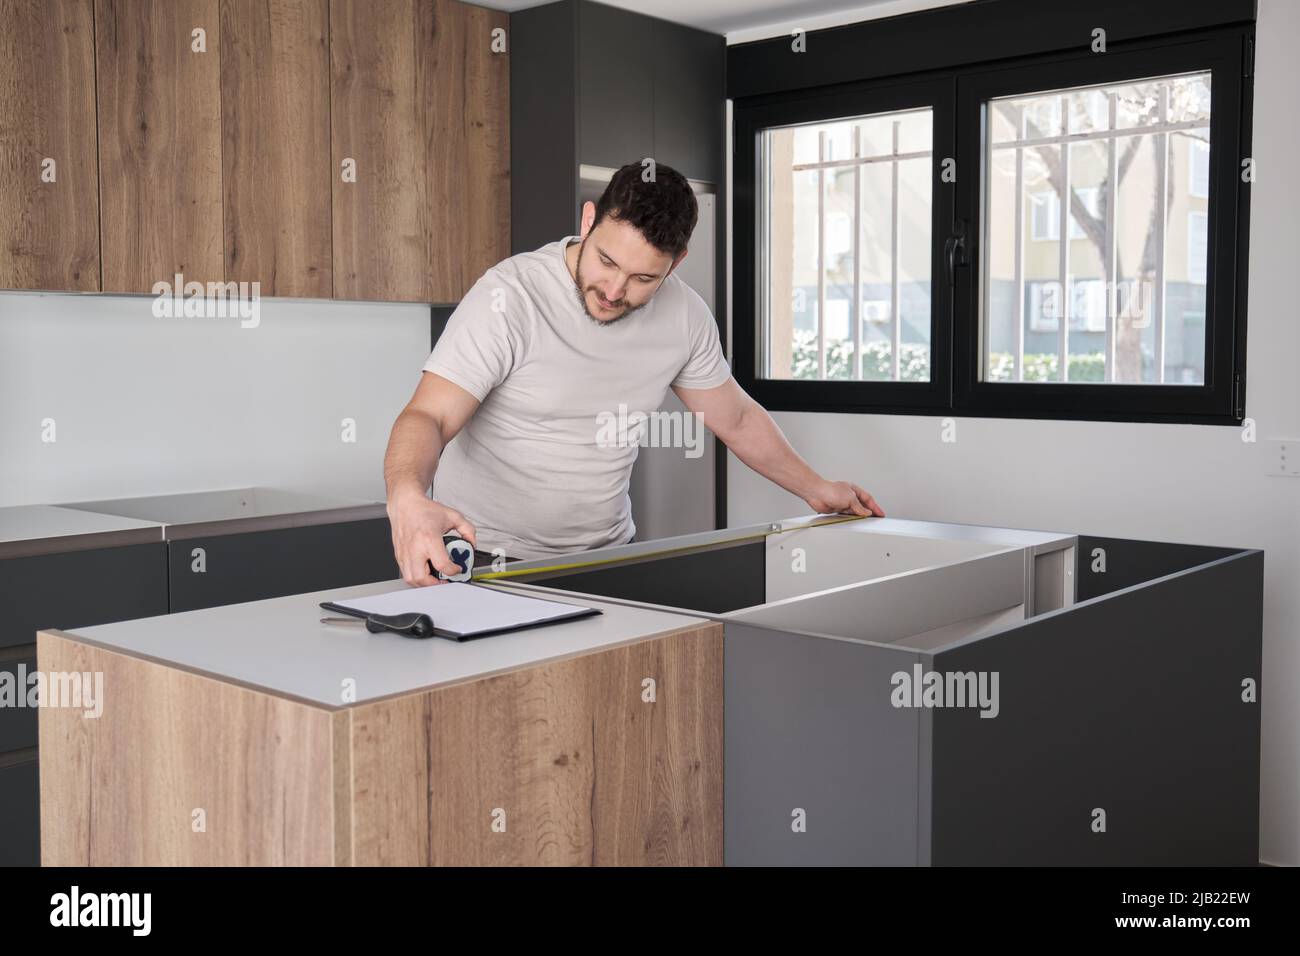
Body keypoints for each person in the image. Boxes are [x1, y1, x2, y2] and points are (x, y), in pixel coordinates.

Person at [383, 161, 884, 585]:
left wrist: (815, 488)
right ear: (588, 219)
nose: (614, 290)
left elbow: (735, 419)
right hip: (489, 563)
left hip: (609, 559)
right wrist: (406, 496)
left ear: (676, 263)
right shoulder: (509, 297)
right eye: (606, 260)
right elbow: (428, 415)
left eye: (643, 277)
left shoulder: (684, 316)